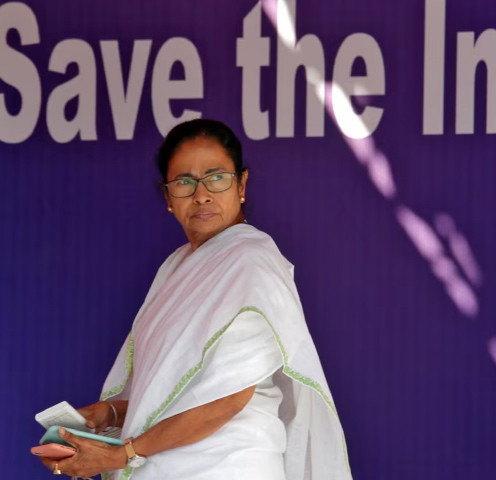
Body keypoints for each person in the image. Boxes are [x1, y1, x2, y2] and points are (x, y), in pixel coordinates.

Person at [39, 119, 352, 480]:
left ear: (242, 184)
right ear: (168, 196)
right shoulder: (176, 266)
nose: (201, 194)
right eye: (184, 182)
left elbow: (227, 399)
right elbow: (177, 393)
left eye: (216, 177)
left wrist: (123, 454)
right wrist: (107, 416)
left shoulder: (251, 260)